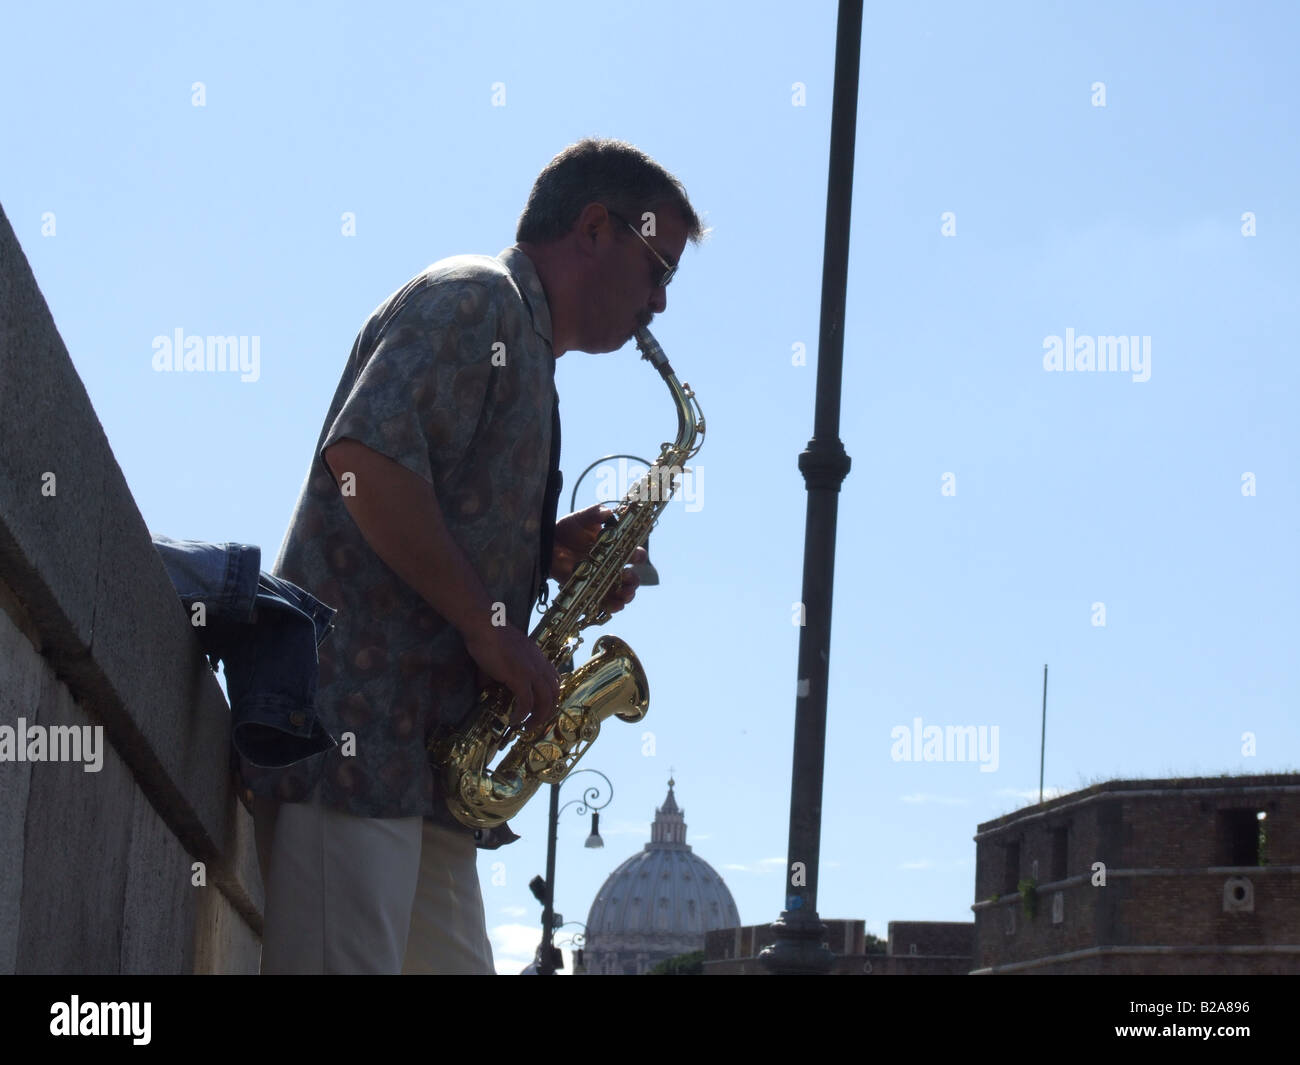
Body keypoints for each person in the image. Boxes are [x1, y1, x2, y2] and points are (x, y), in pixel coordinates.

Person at [247, 137, 705, 974]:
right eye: (657, 268)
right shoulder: (476, 299)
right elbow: (367, 463)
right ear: (595, 228)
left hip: (425, 776)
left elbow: (419, 494)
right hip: (357, 743)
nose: (660, 302)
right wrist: (492, 628)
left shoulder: (528, 350)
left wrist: (546, 550)